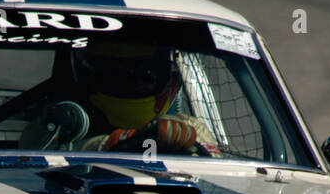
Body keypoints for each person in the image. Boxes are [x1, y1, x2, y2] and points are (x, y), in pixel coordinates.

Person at [61, 40, 221, 156]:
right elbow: (51, 158)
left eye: (149, 75)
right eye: (121, 75)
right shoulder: (61, 122)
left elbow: (214, 174)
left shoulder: (190, 127)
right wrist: (127, 140)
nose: (138, 85)